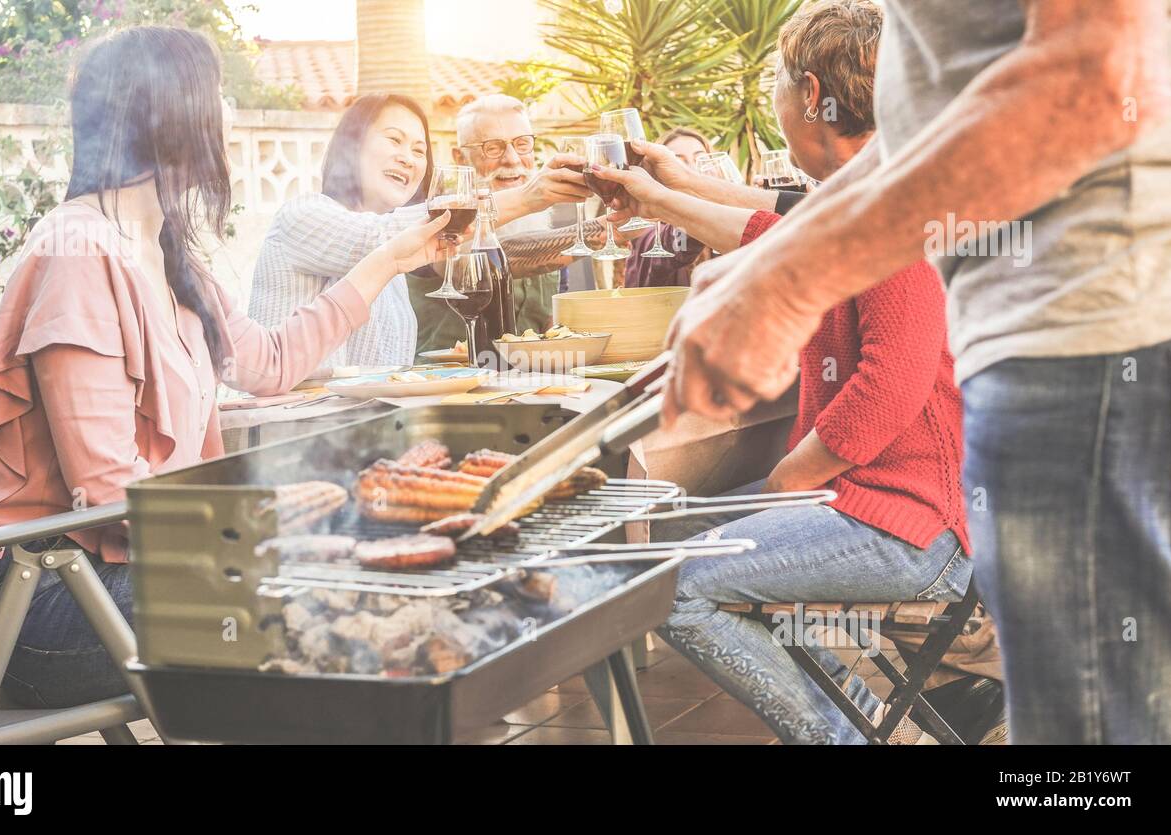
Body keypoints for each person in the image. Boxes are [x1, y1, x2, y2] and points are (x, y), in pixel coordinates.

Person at [660, 0, 1171, 744]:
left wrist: (785, 281)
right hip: (1046, 348)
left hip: (1087, 343)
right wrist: (774, 258)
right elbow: (916, 138)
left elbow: (1093, 75)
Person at [0, 27, 452, 709]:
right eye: (215, 92)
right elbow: (107, 492)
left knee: (351, 573)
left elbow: (269, 363)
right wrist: (264, 525)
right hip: (42, 601)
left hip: (115, 574)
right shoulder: (79, 251)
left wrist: (391, 258)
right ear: (170, 113)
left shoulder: (166, 251)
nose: (228, 107)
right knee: (325, 602)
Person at [593, 0, 972, 744]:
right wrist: (661, 194)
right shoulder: (871, 185)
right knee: (666, 536)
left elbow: (887, 388)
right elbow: (776, 231)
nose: (771, 99)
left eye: (774, 81)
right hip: (884, 503)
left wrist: (785, 482)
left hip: (907, 523)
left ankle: (843, 738)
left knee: (666, 588)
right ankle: (871, 728)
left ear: (808, 95)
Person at [251, 92, 590, 367]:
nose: (408, 158)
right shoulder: (303, 215)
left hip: (360, 436)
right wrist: (531, 196)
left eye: (418, 150)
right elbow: (381, 239)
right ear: (351, 146)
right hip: (289, 434)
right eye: (394, 140)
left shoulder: (397, 271)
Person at [411, 94, 607, 352]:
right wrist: (604, 231)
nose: (512, 159)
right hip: (444, 383)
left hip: (528, 383)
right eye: (493, 147)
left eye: (522, 144)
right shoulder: (439, 219)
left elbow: (552, 329)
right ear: (460, 158)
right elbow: (486, 263)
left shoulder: (546, 222)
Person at [622, 127, 713, 290]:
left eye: (700, 159)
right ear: (656, 174)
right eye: (678, 162)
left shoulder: (730, 220)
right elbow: (673, 245)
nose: (692, 169)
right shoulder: (648, 229)